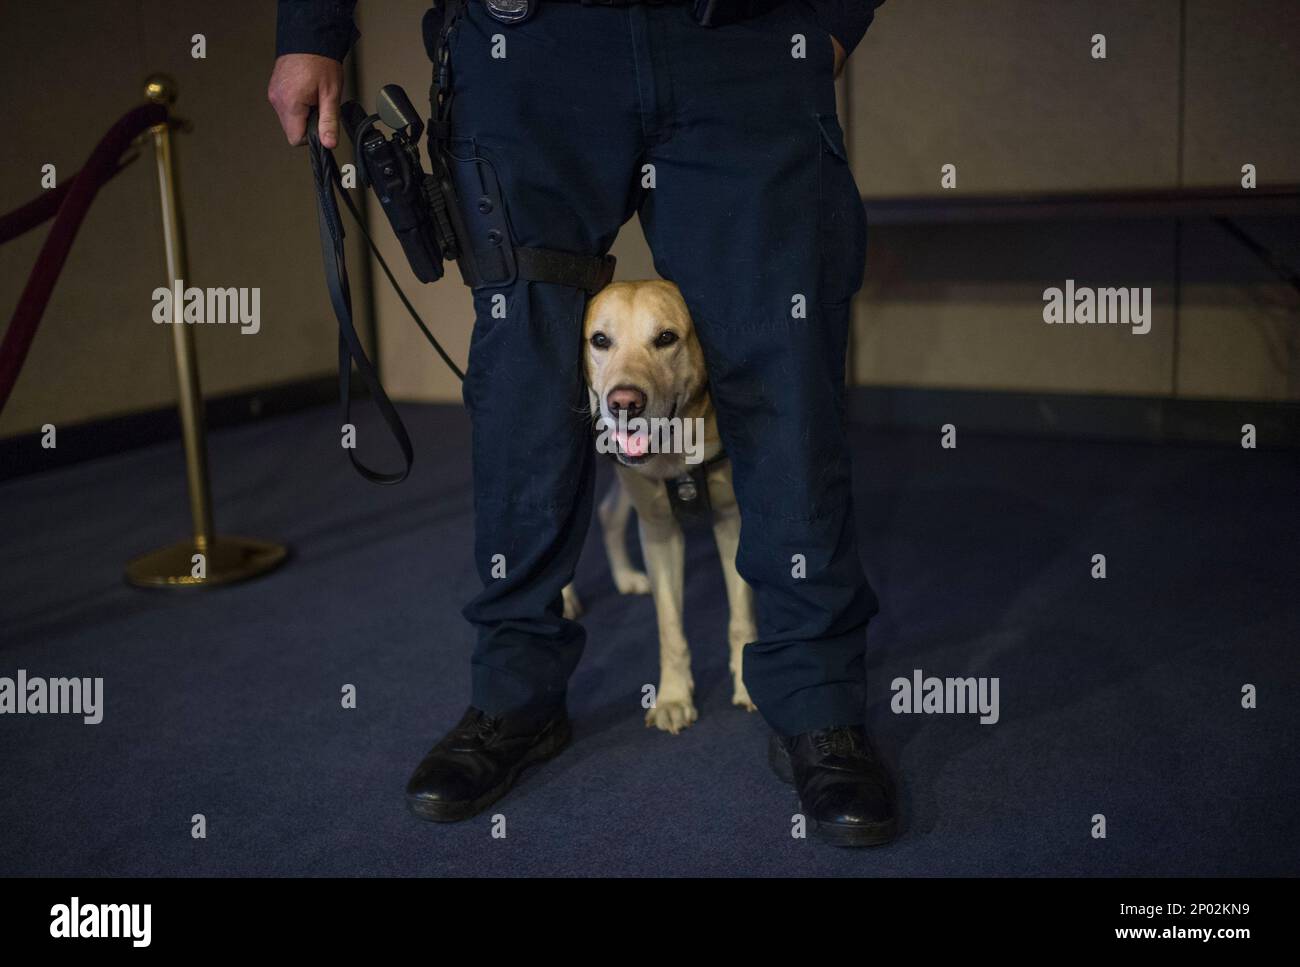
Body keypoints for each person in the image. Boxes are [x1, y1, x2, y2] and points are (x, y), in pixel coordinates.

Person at [269, 0, 897, 846]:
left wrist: (834, 14)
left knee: (785, 371)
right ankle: (513, 696)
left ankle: (819, 702)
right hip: (528, 42)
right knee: (524, 388)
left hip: (742, 35)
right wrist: (311, 27)